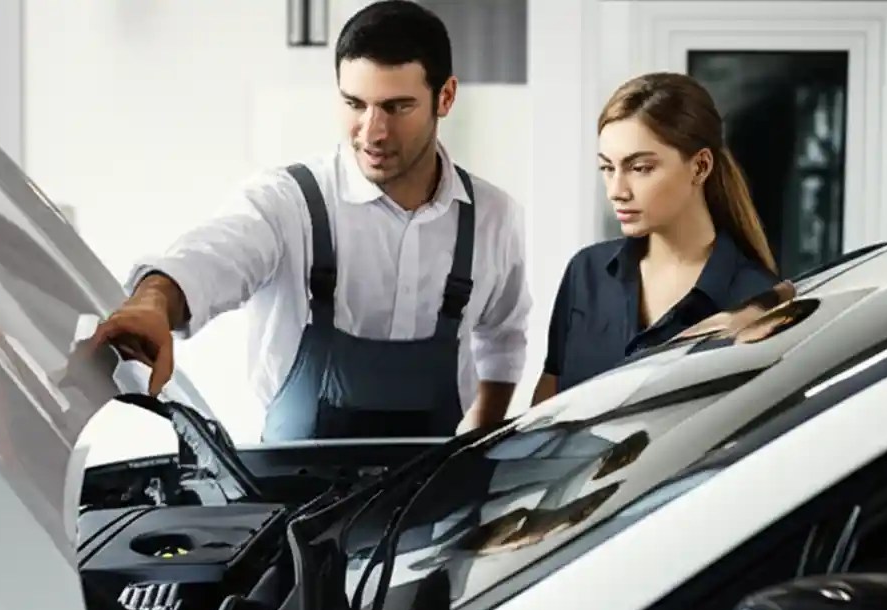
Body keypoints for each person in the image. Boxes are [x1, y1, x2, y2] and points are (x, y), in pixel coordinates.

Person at [88, 0, 531, 441]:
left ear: (446, 97)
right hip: (294, 502)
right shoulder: (287, 202)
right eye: (355, 103)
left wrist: (477, 458)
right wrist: (153, 303)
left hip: (432, 501)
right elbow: (209, 257)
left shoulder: (493, 217)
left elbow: (503, 340)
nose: (372, 131)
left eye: (397, 107)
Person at [532, 72, 781, 404]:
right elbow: (547, 404)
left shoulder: (754, 297)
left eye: (640, 168)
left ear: (700, 167)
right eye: (607, 168)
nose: (616, 191)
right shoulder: (586, 272)